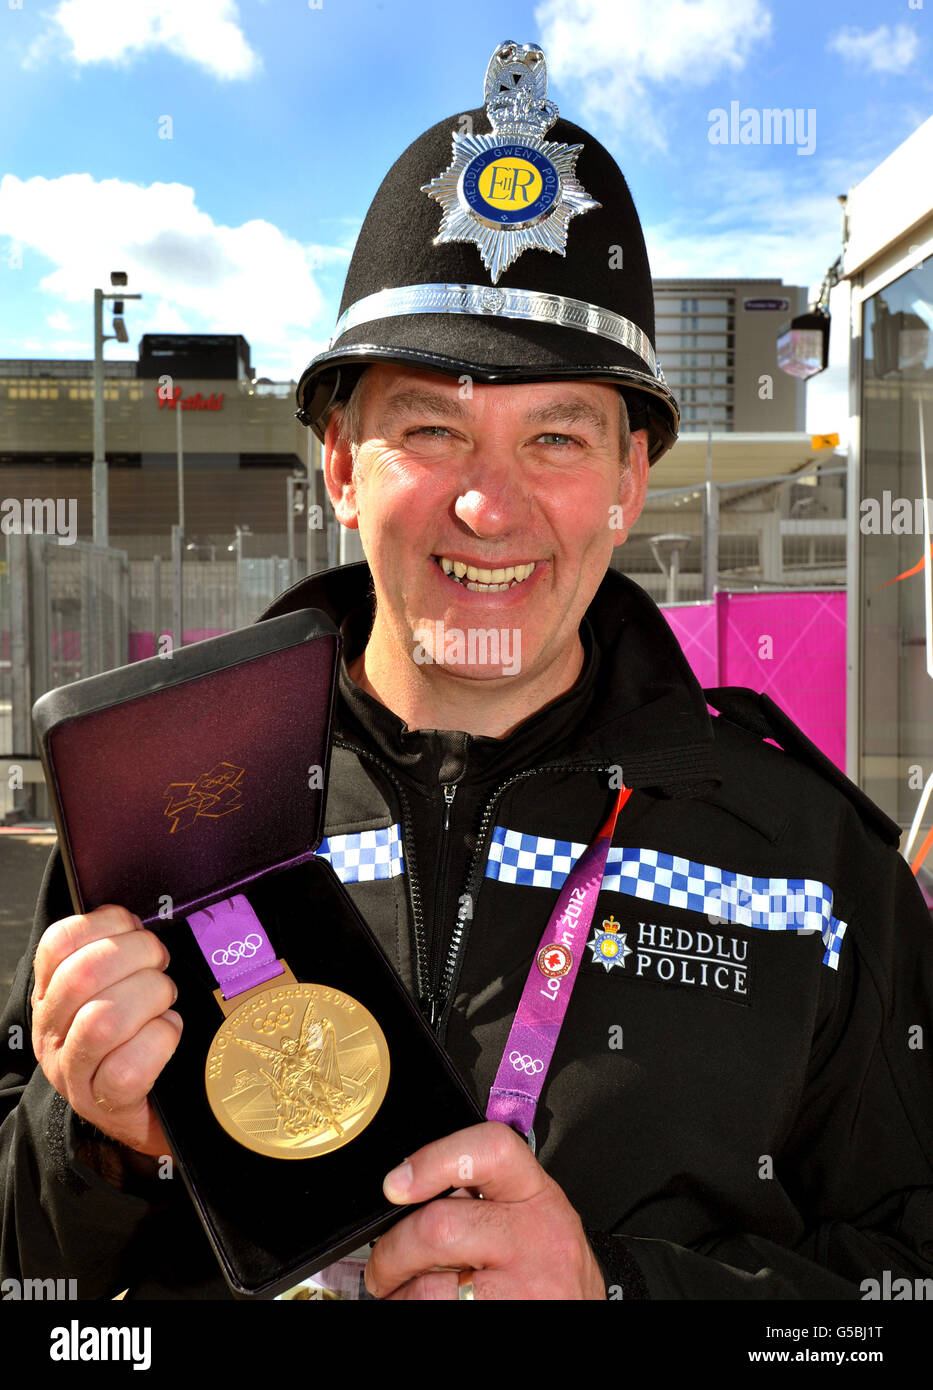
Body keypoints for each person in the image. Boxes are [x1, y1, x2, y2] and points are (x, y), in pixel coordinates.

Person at [2, 39, 932, 1302]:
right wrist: (89, 1147)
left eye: (556, 434)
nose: (488, 507)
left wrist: (619, 1297)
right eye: (429, 429)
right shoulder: (163, 806)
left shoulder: (812, 860)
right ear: (339, 463)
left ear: (627, 484)